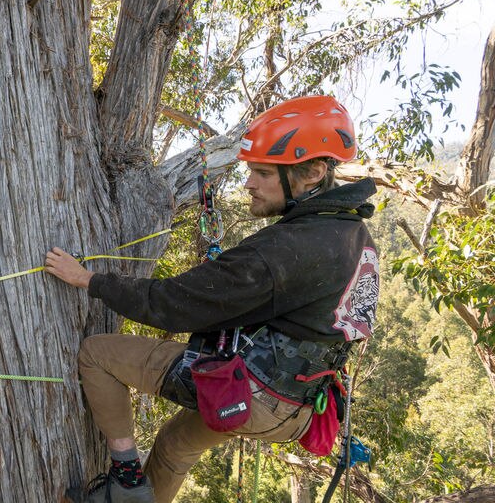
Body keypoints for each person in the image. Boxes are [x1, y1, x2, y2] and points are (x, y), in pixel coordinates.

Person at [45, 95, 380, 503]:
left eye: (261, 173)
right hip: (300, 408)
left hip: (251, 393)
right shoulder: (356, 237)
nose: (249, 184)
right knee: (173, 445)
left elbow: (173, 304)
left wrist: (90, 280)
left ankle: (127, 480)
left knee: (98, 353)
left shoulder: (286, 248)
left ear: (311, 173)